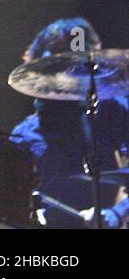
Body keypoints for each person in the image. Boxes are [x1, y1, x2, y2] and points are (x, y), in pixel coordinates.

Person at [10, 18, 129, 229]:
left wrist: (117, 214)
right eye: (57, 68)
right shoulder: (22, 136)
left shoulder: (112, 109)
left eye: (74, 68)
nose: (65, 76)